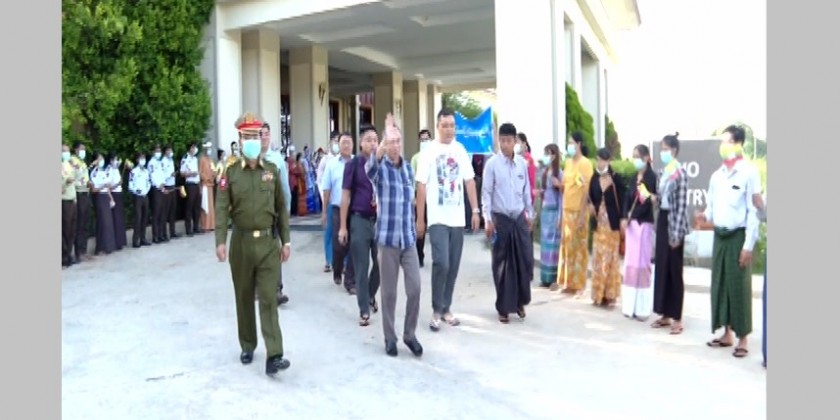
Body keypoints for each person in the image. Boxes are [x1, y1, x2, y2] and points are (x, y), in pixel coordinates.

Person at [214, 112, 292, 376]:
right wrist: (220, 241)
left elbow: (282, 208)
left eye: (256, 136)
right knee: (244, 296)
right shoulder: (231, 172)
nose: (253, 141)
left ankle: (275, 354)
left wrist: (286, 241)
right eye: (247, 137)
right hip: (242, 243)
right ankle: (248, 344)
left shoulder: (271, 171)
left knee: (269, 298)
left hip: (269, 243)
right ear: (240, 139)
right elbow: (222, 207)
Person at [695, 125, 762, 358]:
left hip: (737, 237)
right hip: (720, 237)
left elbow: (754, 212)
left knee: (739, 287)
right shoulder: (717, 175)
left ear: (739, 144)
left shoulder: (749, 173)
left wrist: (748, 246)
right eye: (722, 142)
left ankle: (743, 338)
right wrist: (704, 216)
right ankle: (726, 333)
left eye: (729, 141)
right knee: (721, 284)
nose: (724, 146)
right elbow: (712, 208)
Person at [415, 108, 480, 331]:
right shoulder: (429, 152)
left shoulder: (460, 150)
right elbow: (421, 186)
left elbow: (469, 181)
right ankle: (436, 308)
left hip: (457, 218)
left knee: (452, 265)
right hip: (437, 218)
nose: (449, 129)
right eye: (445, 125)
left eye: (452, 125)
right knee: (441, 263)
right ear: (438, 126)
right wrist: (420, 219)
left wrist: (475, 210)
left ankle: (446, 308)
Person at [365, 113, 424, 357]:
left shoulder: (408, 168)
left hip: (407, 239)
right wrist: (379, 147)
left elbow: (411, 201)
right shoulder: (381, 169)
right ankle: (390, 338)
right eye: (391, 140)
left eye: (398, 140)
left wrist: (417, 224)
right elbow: (370, 169)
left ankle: (410, 334)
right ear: (385, 144)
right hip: (388, 240)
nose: (396, 144)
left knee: (415, 288)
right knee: (388, 293)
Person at [482, 123, 535, 323]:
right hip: (500, 219)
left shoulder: (522, 163)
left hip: (519, 218)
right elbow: (486, 193)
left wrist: (529, 214)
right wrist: (488, 219)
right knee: (502, 266)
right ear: (499, 140)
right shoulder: (492, 164)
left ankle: (520, 302)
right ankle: (503, 308)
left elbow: (526, 191)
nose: (505, 144)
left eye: (509, 141)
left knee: (524, 261)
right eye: (502, 140)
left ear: (515, 142)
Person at [338, 125, 382, 325]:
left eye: (376, 140)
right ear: (361, 143)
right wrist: (343, 226)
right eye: (369, 140)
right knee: (362, 266)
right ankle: (364, 309)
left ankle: (370, 294)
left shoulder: (382, 163)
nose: (373, 144)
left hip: (380, 221)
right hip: (359, 219)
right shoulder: (353, 165)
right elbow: (345, 196)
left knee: (381, 262)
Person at [651, 133, 690, 335]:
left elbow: (682, 206)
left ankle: (677, 317)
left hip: (675, 223)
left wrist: (676, 235)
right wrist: (653, 199)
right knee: (662, 268)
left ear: (674, 150)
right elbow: (661, 198)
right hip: (663, 219)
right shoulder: (663, 172)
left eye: (666, 148)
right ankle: (664, 314)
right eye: (662, 148)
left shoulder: (680, 173)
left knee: (675, 271)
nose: (663, 152)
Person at [620, 145, 658, 320]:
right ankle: (629, 306)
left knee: (642, 264)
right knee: (630, 263)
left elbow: (648, 203)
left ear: (646, 158)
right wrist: (624, 216)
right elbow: (628, 197)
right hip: (631, 226)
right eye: (633, 156)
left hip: (643, 224)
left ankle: (642, 308)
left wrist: (633, 215)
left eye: (637, 156)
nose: (635, 159)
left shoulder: (652, 177)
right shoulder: (634, 176)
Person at [554, 131, 594, 295]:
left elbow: (586, 191)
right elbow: (566, 187)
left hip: (579, 211)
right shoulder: (568, 163)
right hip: (566, 209)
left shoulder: (585, 164)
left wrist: (583, 216)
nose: (570, 145)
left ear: (579, 144)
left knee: (579, 248)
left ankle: (579, 285)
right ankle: (568, 283)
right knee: (567, 248)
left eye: (572, 142)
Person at [588, 148, 625, 308]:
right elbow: (590, 196)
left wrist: (623, 218)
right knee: (598, 260)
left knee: (611, 261)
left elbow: (624, 200)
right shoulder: (594, 178)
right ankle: (598, 295)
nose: (600, 163)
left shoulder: (616, 178)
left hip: (612, 225)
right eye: (598, 159)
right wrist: (590, 206)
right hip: (599, 224)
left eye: (603, 160)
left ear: (608, 161)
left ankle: (610, 295)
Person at [260, 122, 291, 305]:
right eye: (260, 134)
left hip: (274, 213)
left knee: (275, 250)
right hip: (256, 214)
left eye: (266, 133)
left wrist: (286, 210)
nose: (264, 137)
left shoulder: (277, 159)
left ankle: (277, 289)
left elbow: (284, 187)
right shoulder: (251, 159)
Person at [320, 132, 354, 290]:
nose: (346, 145)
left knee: (353, 243)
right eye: (343, 142)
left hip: (354, 209)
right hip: (336, 208)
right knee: (338, 243)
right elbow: (326, 189)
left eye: (349, 142)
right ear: (338, 145)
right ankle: (337, 269)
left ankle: (350, 276)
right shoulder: (332, 164)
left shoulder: (357, 162)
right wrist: (324, 212)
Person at [538, 144, 563, 287]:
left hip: (554, 212)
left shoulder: (558, 172)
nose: (546, 156)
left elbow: (561, 196)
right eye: (545, 153)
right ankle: (545, 278)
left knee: (553, 246)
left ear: (554, 155)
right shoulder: (544, 172)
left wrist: (560, 215)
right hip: (545, 212)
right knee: (545, 247)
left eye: (548, 153)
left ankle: (553, 278)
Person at [317, 131, 341, 272]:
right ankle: (328, 260)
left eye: (338, 140)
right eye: (334, 140)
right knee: (329, 231)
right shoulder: (326, 160)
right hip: (329, 200)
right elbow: (319, 180)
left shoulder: (346, 159)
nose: (336, 144)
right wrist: (323, 197)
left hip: (341, 200)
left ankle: (342, 261)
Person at [410, 129, 432, 267]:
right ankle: (419, 255)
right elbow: (412, 179)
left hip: (434, 196)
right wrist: (413, 196)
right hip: (420, 196)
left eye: (427, 139)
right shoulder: (415, 158)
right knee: (420, 226)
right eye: (422, 139)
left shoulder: (435, 156)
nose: (424, 141)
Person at [90, 152, 117, 255]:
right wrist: (103, 186)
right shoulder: (94, 172)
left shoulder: (103, 171)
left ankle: (109, 246)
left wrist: (111, 198)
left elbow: (107, 188)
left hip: (105, 196)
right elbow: (94, 190)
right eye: (99, 159)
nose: (101, 161)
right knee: (102, 221)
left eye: (102, 159)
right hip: (99, 197)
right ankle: (101, 247)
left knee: (108, 222)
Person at [70, 142, 93, 263]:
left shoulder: (83, 163)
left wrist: (89, 183)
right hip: (78, 193)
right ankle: (78, 253)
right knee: (79, 224)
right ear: (75, 149)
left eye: (84, 149)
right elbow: (73, 178)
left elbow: (85, 178)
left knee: (85, 223)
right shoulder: (72, 161)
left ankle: (83, 251)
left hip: (85, 193)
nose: (83, 151)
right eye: (81, 149)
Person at [128, 152, 152, 248]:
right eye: (141, 158)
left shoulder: (146, 171)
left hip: (145, 195)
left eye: (144, 158)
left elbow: (149, 182)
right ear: (137, 160)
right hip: (137, 196)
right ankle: (135, 240)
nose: (143, 160)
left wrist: (146, 190)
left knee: (145, 217)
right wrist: (136, 190)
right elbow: (130, 185)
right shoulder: (133, 171)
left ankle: (143, 238)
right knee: (138, 218)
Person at [106, 153, 127, 250]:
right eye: (115, 159)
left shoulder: (116, 169)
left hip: (119, 193)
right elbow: (108, 187)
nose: (116, 161)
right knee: (115, 219)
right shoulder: (109, 170)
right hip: (114, 194)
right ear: (110, 160)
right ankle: (116, 242)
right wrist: (117, 184)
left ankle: (121, 242)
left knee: (120, 219)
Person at [62, 144, 78, 268]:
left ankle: (69, 254)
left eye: (67, 151)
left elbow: (74, 182)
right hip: (64, 201)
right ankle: (65, 255)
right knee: (66, 229)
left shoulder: (69, 165)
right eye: (63, 151)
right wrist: (65, 182)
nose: (66, 153)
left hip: (72, 199)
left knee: (72, 229)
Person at [180, 143, 202, 236]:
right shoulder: (185, 158)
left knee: (197, 207)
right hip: (190, 185)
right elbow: (182, 173)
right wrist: (190, 174)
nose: (195, 149)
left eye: (195, 147)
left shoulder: (195, 159)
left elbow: (198, 173)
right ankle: (188, 229)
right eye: (193, 147)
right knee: (189, 207)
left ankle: (196, 227)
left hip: (196, 184)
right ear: (189, 148)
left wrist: (200, 185)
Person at [199, 141, 217, 233]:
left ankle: (211, 225)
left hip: (211, 185)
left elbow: (214, 170)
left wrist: (213, 175)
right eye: (207, 149)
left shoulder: (210, 160)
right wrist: (206, 179)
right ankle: (204, 226)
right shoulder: (202, 159)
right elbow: (200, 172)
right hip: (205, 185)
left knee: (210, 206)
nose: (209, 150)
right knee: (205, 205)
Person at [162, 146, 179, 239]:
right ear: (165, 152)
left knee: (173, 210)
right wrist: (170, 175)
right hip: (167, 186)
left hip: (173, 185)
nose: (171, 152)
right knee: (166, 210)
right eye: (169, 150)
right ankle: (164, 233)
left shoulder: (171, 160)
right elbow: (163, 175)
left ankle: (173, 232)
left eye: (171, 150)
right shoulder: (163, 161)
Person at [515, 132, 538, 203]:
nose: (515, 144)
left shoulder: (528, 159)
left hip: (526, 195)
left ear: (524, 143)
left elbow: (531, 179)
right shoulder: (515, 159)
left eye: (517, 141)